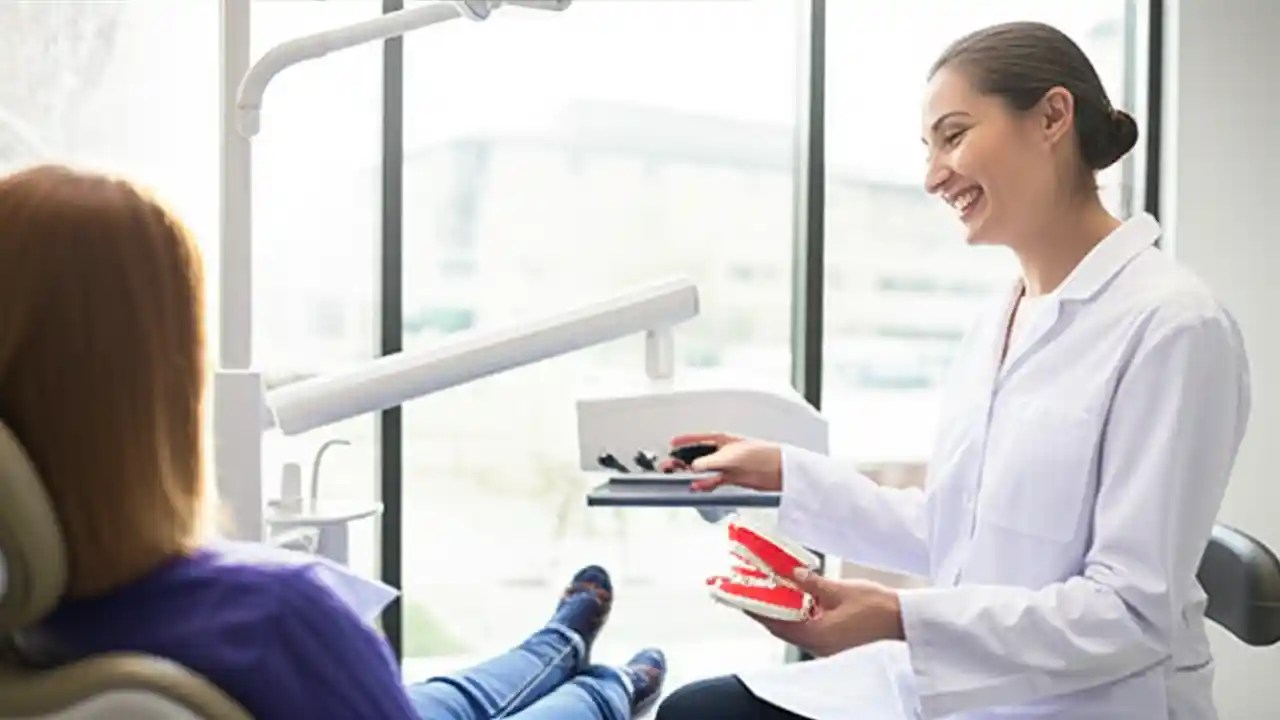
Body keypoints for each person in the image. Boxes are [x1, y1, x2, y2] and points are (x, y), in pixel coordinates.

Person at [656, 20, 1250, 720]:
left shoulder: (1172, 326)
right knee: (696, 709)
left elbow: (1126, 614)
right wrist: (786, 474)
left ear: (1052, 116)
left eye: (955, 135)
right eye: (929, 146)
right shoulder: (1000, 319)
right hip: (968, 682)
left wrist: (899, 617)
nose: (933, 175)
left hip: (1088, 701)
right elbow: (953, 527)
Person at [0, 164, 666, 720]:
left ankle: (558, 640)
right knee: (523, 707)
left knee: (455, 699)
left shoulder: (31, 626)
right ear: (167, 385)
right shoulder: (274, 621)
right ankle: (606, 689)